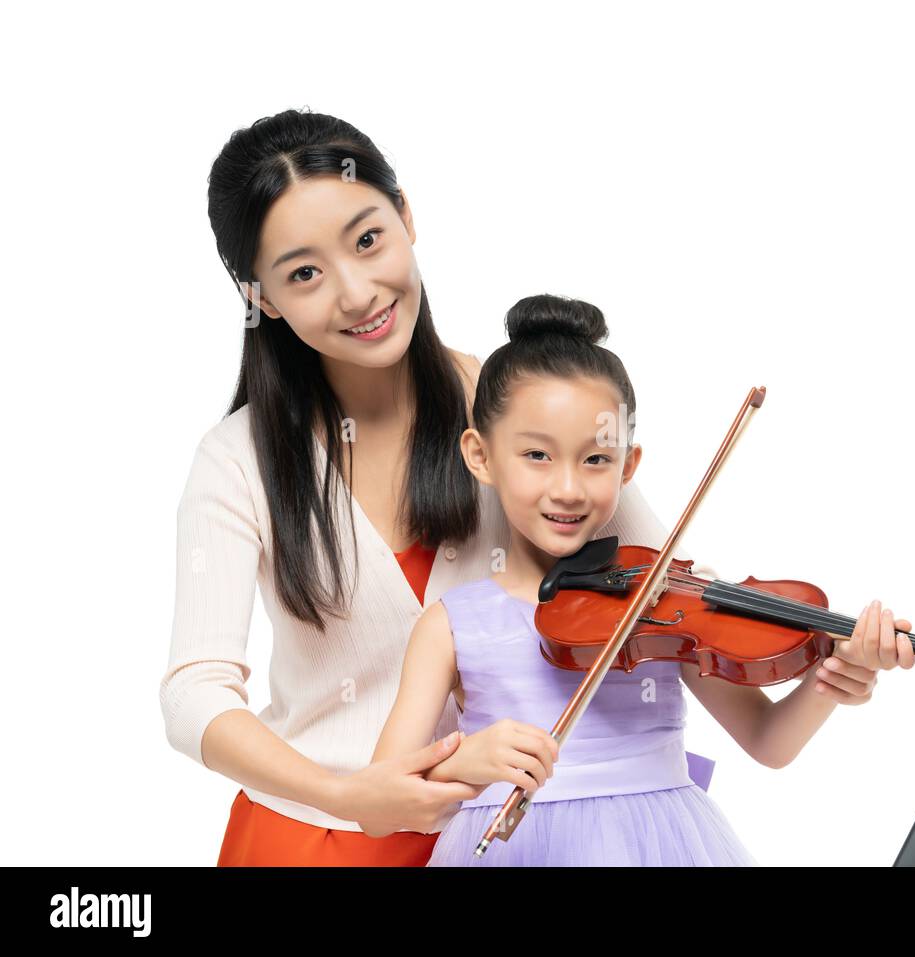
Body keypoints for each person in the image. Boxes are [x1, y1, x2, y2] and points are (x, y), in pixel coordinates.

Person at [162, 109, 742, 865]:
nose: (357, 293)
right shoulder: (236, 458)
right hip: (315, 837)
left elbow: (663, 582)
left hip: (506, 838)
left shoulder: (516, 410)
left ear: (405, 216)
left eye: (368, 239)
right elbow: (192, 692)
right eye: (304, 273)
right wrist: (348, 793)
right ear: (260, 296)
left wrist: (816, 656)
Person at [362, 294, 915, 865]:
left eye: (596, 459)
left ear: (629, 465)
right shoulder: (452, 623)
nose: (569, 488)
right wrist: (465, 762)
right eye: (537, 455)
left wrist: (836, 672)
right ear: (480, 456)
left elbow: (769, 741)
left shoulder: (663, 601)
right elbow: (375, 808)